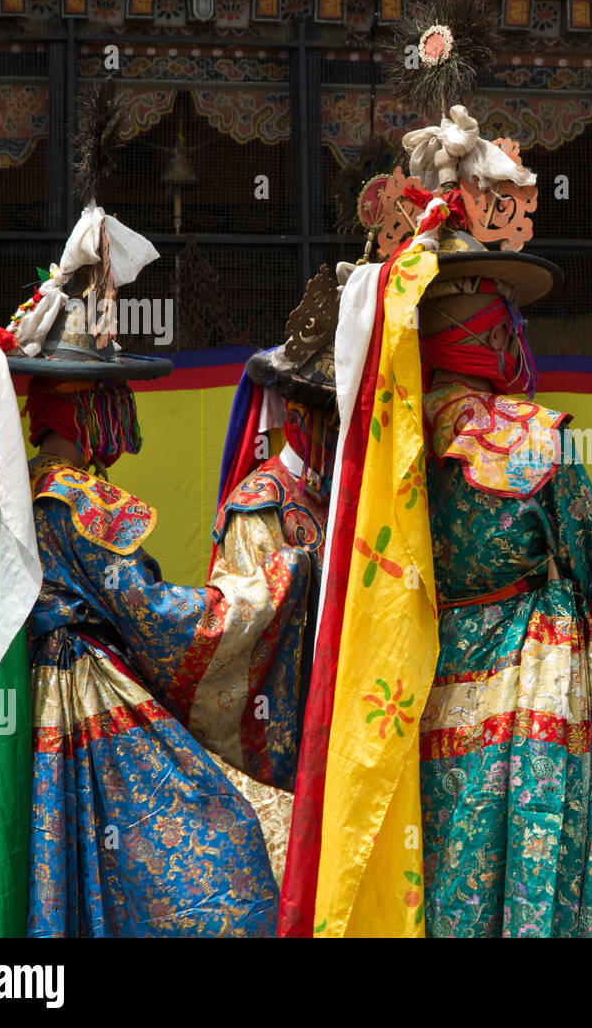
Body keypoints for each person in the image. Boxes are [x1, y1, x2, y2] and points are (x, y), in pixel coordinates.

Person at [278, 0, 592, 935]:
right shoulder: (536, 440)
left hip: (426, 706)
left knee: (444, 900)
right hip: (537, 701)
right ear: (492, 330)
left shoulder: (384, 458)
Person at [0, 182, 314, 935]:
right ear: (90, 405)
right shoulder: (76, 501)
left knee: (62, 873)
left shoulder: (20, 493)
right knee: (226, 844)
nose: (123, 411)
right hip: (85, 698)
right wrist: (281, 580)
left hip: (29, 709)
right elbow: (163, 620)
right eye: (114, 394)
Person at [208, 263, 345, 886]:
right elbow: (240, 639)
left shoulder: (351, 497)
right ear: (298, 413)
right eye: (331, 415)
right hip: (289, 733)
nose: (341, 431)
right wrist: (302, 574)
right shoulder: (259, 507)